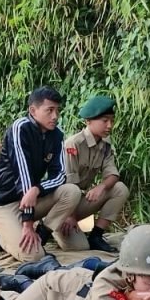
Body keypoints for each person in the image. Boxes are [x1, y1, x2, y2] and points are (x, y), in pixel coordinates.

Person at [0, 86, 85, 262]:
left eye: (57, 110)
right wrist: (27, 223)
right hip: (2, 204)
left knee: (71, 192)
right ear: (33, 110)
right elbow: (24, 176)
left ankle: (42, 235)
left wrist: (37, 189)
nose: (55, 116)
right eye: (49, 110)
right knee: (35, 257)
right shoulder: (20, 128)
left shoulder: (57, 136)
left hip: (31, 198)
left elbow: (60, 176)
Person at [63, 94, 130, 253]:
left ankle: (96, 236)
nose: (110, 125)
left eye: (112, 121)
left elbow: (113, 174)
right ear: (88, 122)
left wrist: (101, 187)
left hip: (78, 202)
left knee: (119, 188)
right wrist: (70, 216)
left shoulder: (105, 145)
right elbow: (68, 184)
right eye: (105, 121)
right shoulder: (73, 144)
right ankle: (0, 234)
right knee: (79, 248)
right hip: (60, 206)